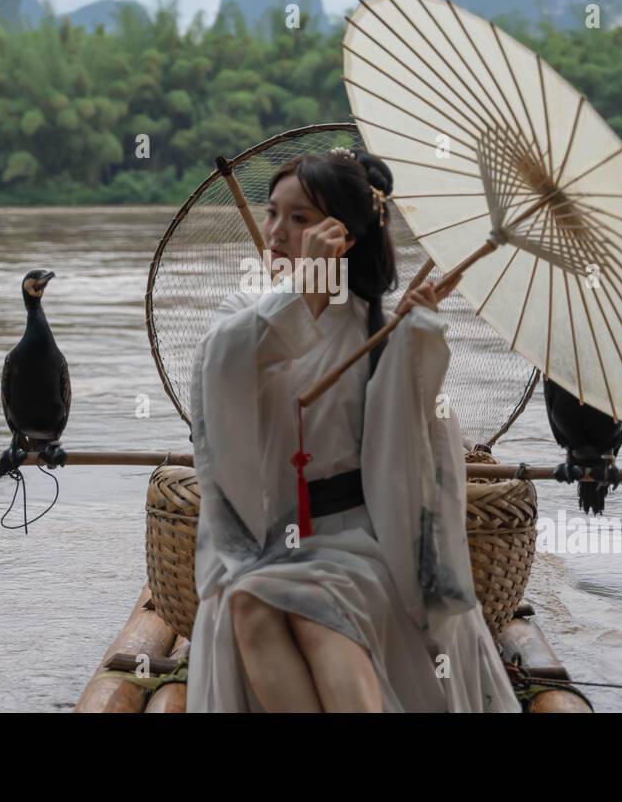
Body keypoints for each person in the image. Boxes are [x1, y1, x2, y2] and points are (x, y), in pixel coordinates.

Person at [185, 146, 520, 713]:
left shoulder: (374, 328)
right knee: (249, 601)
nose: (276, 233)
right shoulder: (249, 312)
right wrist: (306, 292)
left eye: (300, 219)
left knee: (318, 615)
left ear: (345, 236)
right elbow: (220, 370)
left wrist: (414, 341)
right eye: (272, 214)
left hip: (352, 538)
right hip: (265, 536)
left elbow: (417, 449)